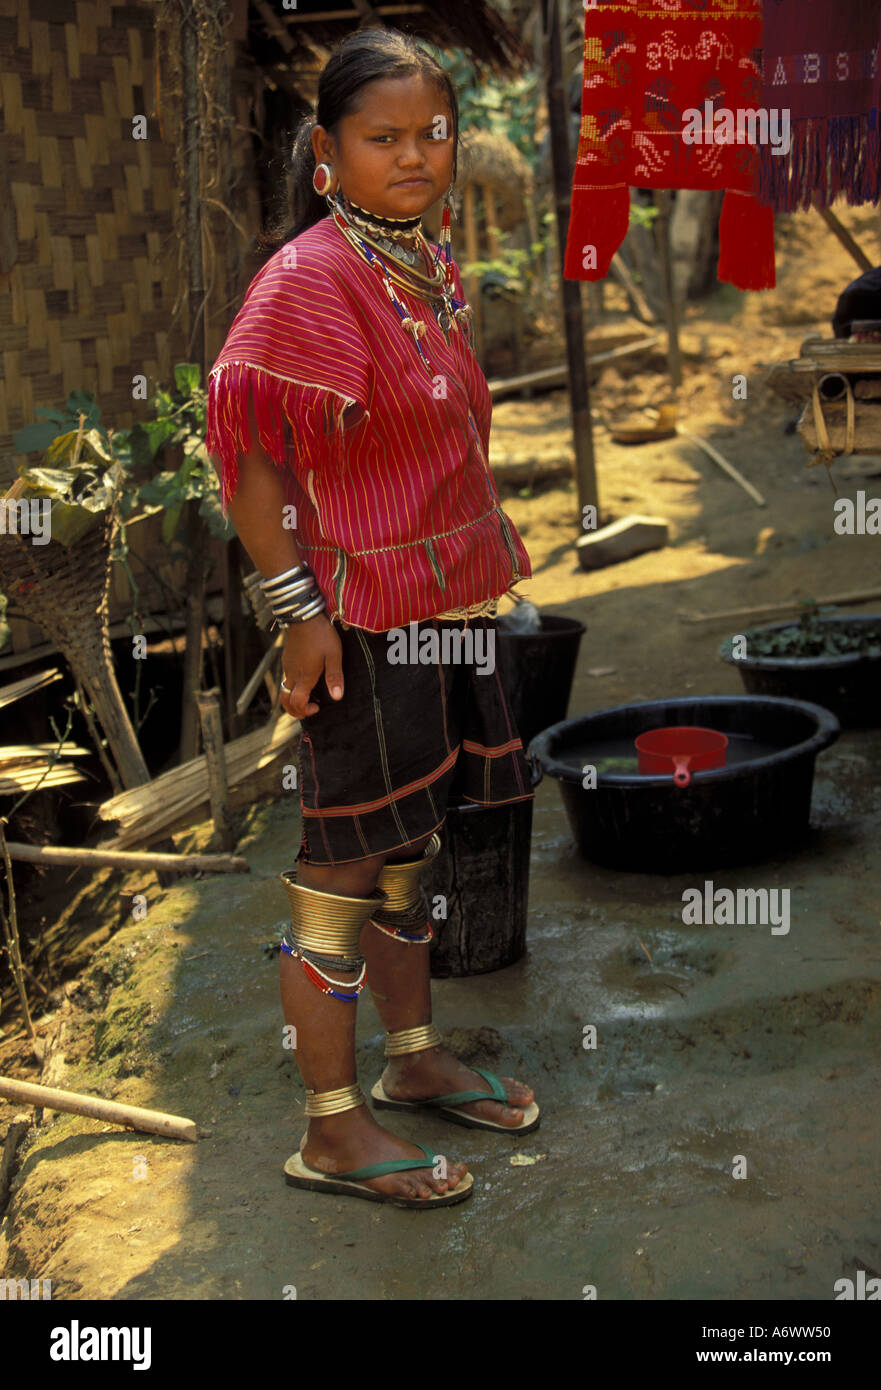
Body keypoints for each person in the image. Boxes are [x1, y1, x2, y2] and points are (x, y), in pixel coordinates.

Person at [206, 28, 539, 1209]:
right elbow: (249, 465)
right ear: (325, 155)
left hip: (443, 602)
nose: (414, 155)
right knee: (339, 869)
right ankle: (329, 1126)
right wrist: (296, 614)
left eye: (430, 132)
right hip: (355, 617)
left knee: (412, 848)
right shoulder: (306, 281)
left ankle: (408, 1063)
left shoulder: (420, 257)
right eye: (381, 138)